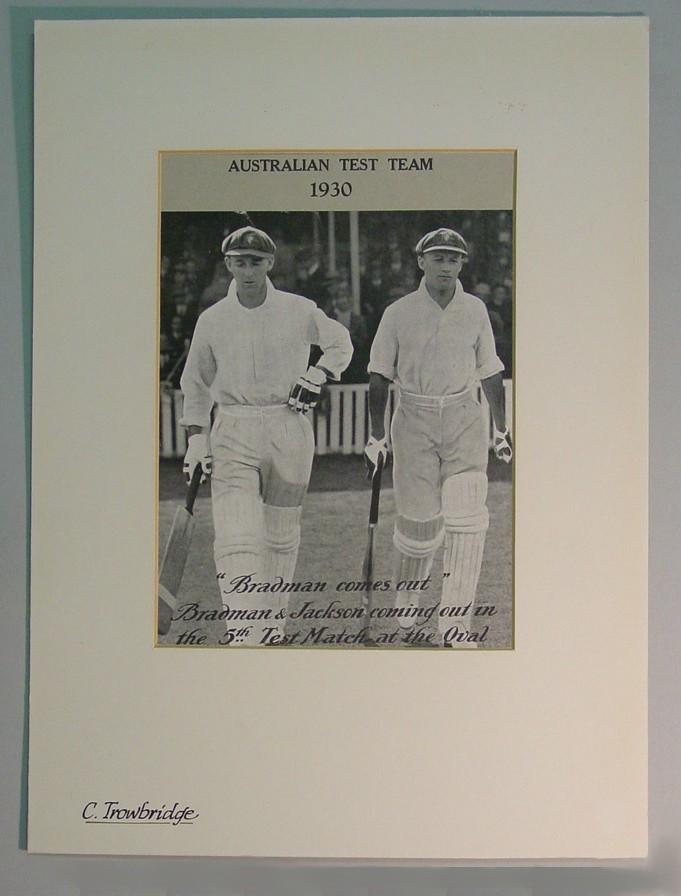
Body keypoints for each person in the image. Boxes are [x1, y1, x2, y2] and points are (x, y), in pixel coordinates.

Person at [179, 226, 353, 646]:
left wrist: (317, 374)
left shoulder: (298, 309)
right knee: (236, 534)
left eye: (255, 261)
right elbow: (196, 383)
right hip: (233, 426)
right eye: (239, 262)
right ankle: (243, 634)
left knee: (279, 535)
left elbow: (341, 343)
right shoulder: (213, 319)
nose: (247, 270)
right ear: (228, 265)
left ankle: (271, 630)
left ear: (270, 263)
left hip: (288, 425)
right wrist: (197, 440)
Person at [364, 228, 512, 648]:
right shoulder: (398, 312)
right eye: (438, 258)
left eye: (453, 259)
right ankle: (408, 600)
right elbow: (378, 375)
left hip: (465, 417)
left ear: (462, 264)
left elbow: (490, 370)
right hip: (413, 420)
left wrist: (501, 428)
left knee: (467, 521)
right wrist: (376, 437)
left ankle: (455, 627)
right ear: (421, 262)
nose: (446, 266)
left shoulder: (476, 309)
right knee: (418, 530)